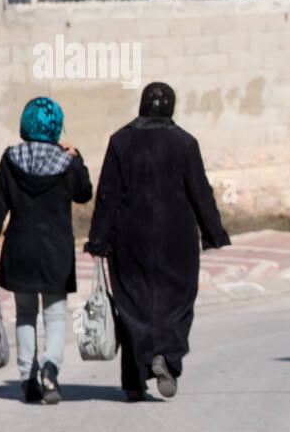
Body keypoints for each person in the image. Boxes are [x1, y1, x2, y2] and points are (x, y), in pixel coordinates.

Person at [84, 83, 230, 402]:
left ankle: (135, 382)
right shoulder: (185, 143)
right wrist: (214, 232)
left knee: (133, 306)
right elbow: (200, 191)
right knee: (176, 302)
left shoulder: (120, 141)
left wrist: (98, 238)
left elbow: (107, 193)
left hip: (129, 237)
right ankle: (167, 357)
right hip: (176, 238)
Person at [0, 97, 93, 404]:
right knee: (55, 315)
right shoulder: (66, 162)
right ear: (56, 126)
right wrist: (77, 157)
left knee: (25, 314)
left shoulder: (11, 158)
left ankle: (28, 379)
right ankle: (51, 369)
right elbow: (84, 194)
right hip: (56, 252)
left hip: (20, 250)